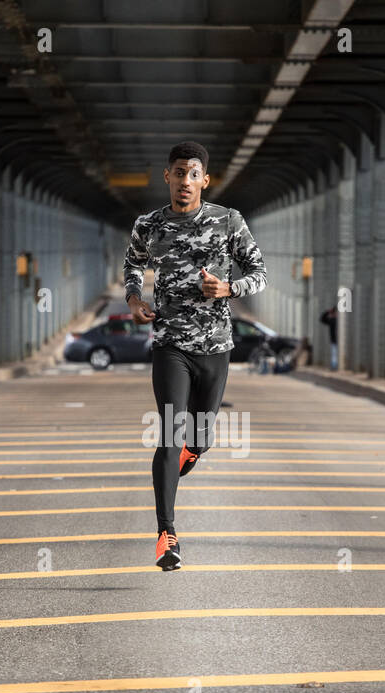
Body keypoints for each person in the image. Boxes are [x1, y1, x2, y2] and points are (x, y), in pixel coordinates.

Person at [122, 141, 267, 570]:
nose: (185, 181)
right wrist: (134, 299)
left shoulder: (228, 221)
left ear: (205, 180)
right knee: (168, 433)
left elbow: (259, 273)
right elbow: (132, 264)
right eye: (178, 173)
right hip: (170, 344)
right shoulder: (149, 224)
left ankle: (190, 453)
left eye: (193, 174)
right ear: (166, 176)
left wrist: (228, 288)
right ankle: (166, 534)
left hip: (216, 345)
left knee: (198, 438)